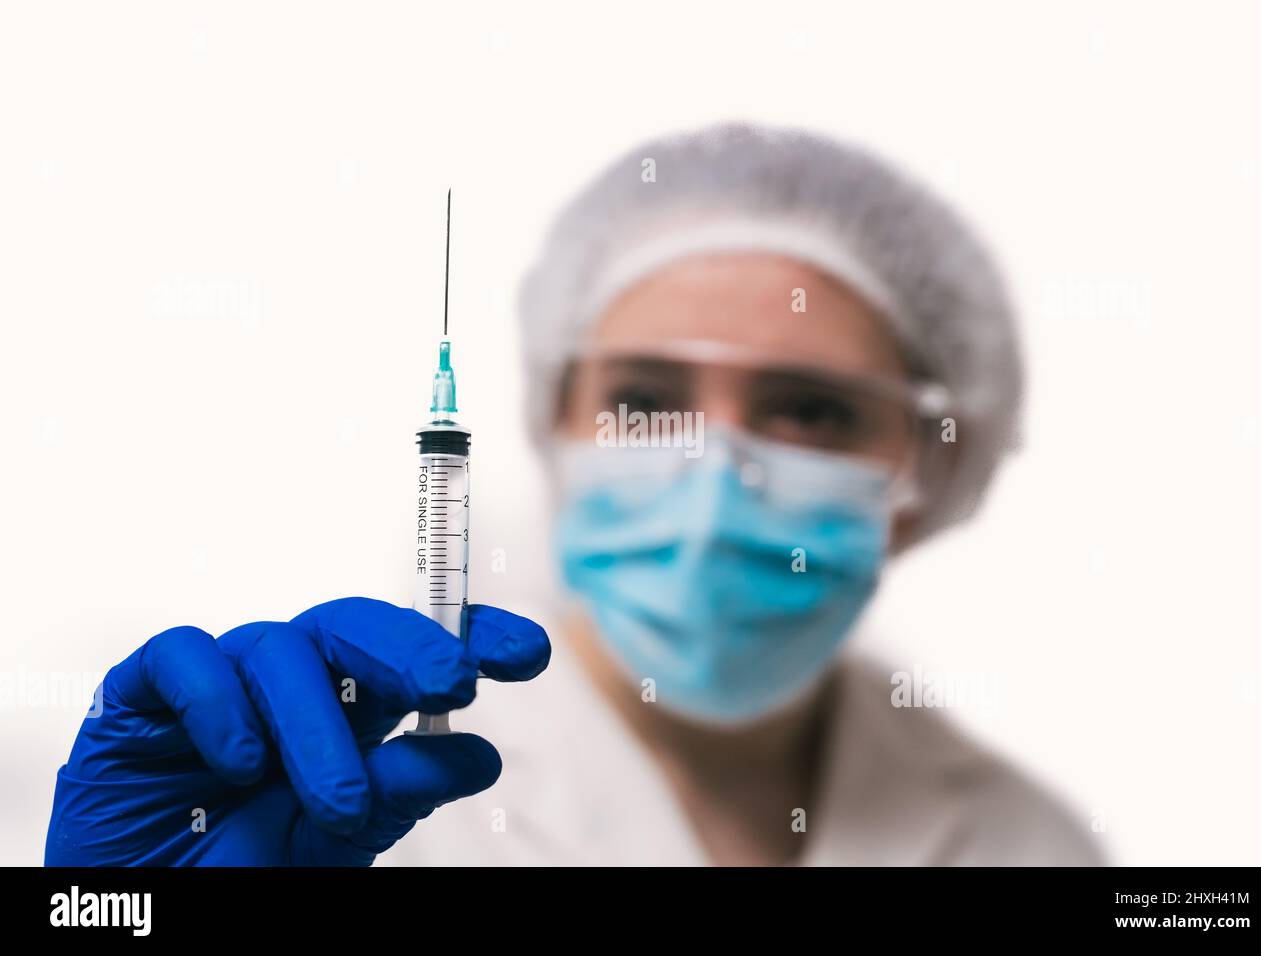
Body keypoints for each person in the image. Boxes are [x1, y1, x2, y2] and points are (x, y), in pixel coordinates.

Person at [45, 123, 1102, 866]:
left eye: (810, 410)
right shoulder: (305, 784)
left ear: (925, 472)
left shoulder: (1025, 843)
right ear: (556, 425)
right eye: (645, 395)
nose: (711, 466)